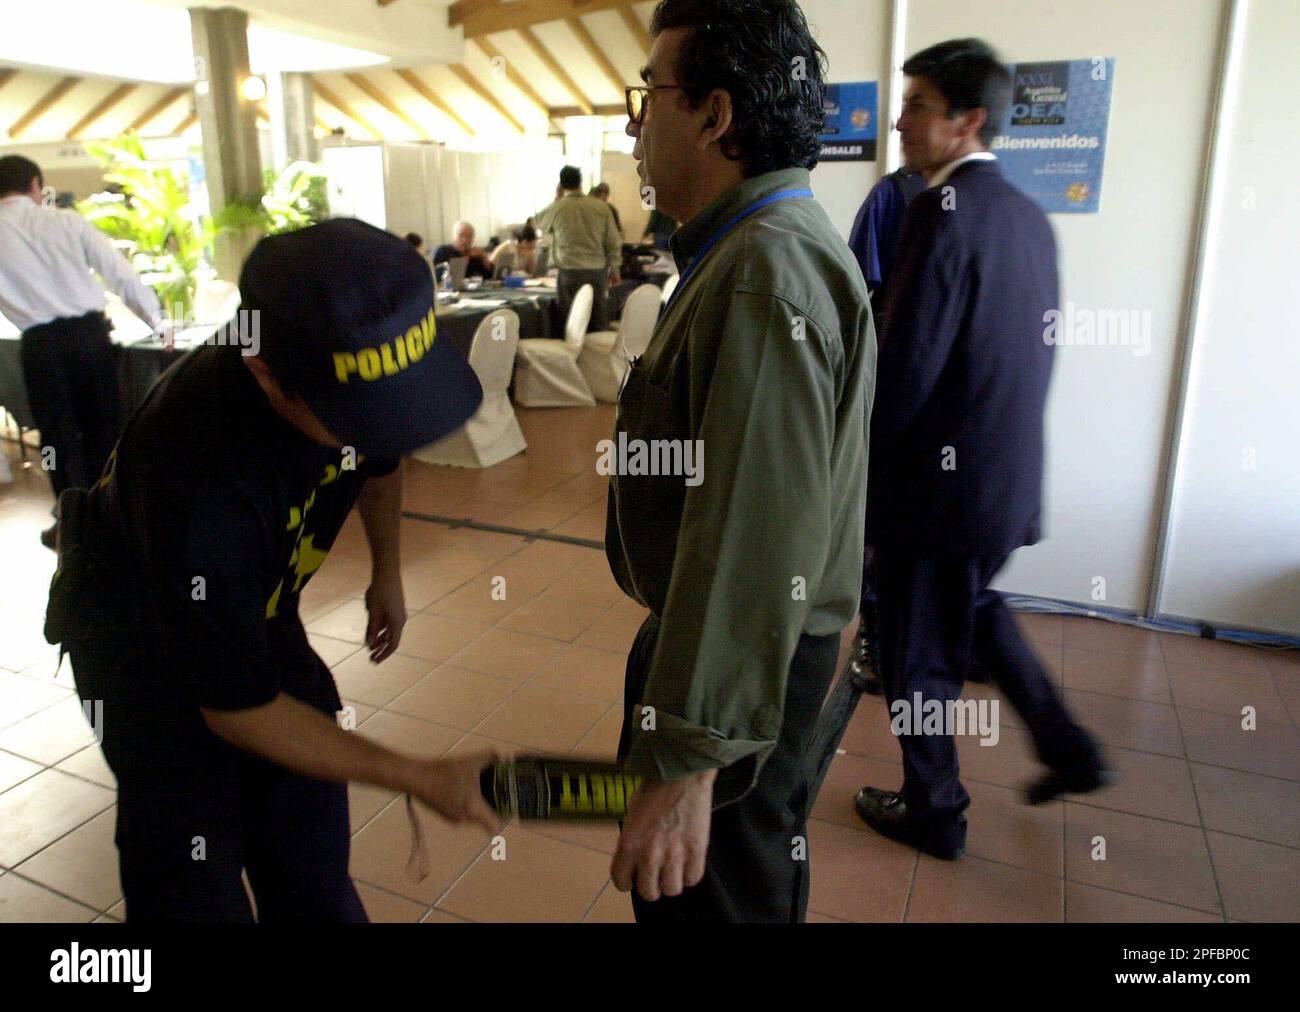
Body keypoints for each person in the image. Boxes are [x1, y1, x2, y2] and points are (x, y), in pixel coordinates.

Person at [52, 219, 498, 922]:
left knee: (308, 851)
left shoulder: (348, 377)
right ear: (262, 369)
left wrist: (388, 572)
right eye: (355, 416)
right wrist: (418, 776)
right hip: (140, 647)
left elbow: (381, 454)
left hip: (258, 609)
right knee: (191, 875)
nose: (374, 428)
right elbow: (237, 709)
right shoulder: (197, 477)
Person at [606, 0, 873, 922]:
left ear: (716, 115)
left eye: (650, 95)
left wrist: (689, 762)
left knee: (716, 904)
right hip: (738, 657)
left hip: (744, 665)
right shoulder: (755, 248)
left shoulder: (764, 273)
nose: (634, 125)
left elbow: (750, 542)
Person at [853, 39, 1108, 861]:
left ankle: (935, 809)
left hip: (937, 495)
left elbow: (907, 371)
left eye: (918, 106)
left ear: (969, 121)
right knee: (976, 614)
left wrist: (853, 470)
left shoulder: (941, 213)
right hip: (1002, 486)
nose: (899, 122)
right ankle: (1069, 748)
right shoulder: (1029, 217)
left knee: (916, 656)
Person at [0, 154, 166, 548]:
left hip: (40, 347)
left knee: (57, 439)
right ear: (36, 186)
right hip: (89, 340)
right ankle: (113, 517)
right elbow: (120, 273)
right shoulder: (66, 221)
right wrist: (158, 322)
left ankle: (72, 521)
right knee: (104, 428)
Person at [844, 166, 928, 696]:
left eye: (918, 106)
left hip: (947, 404)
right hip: (893, 388)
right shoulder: (894, 197)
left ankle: (924, 640)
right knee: (878, 517)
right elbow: (855, 289)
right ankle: (873, 634)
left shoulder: (984, 203)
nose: (901, 121)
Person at [534, 166, 621, 331]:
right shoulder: (602, 207)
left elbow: (539, 223)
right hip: (597, 270)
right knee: (597, 320)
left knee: (572, 323)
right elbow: (613, 242)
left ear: (561, 185)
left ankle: (573, 356)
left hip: (569, 271)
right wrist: (615, 269)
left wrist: (557, 198)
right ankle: (597, 354)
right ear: (581, 183)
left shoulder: (558, 207)